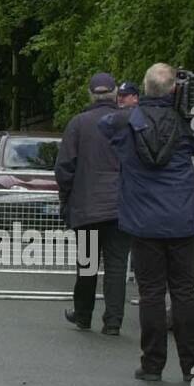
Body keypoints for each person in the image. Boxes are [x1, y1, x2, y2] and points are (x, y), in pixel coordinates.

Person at [99, 63, 194, 383]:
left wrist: (137, 109)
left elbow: (105, 125)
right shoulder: (185, 124)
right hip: (179, 220)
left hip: (143, 223)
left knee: (151, 294)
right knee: (183, 294)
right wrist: (190, 109)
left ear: (144, 89)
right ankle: (193, 366)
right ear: (175, 90)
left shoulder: (126, 122)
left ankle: (152, 365)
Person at [55, 72, 131, 336]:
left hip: (87, 209)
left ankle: (83, 314)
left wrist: (66, 200)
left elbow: (64, 168)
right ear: (115, 95)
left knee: (87, 264)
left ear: (91, 94)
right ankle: (113, 322)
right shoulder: (129, 123)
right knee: (117, 266)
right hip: (122, 209)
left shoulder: (79, 124)